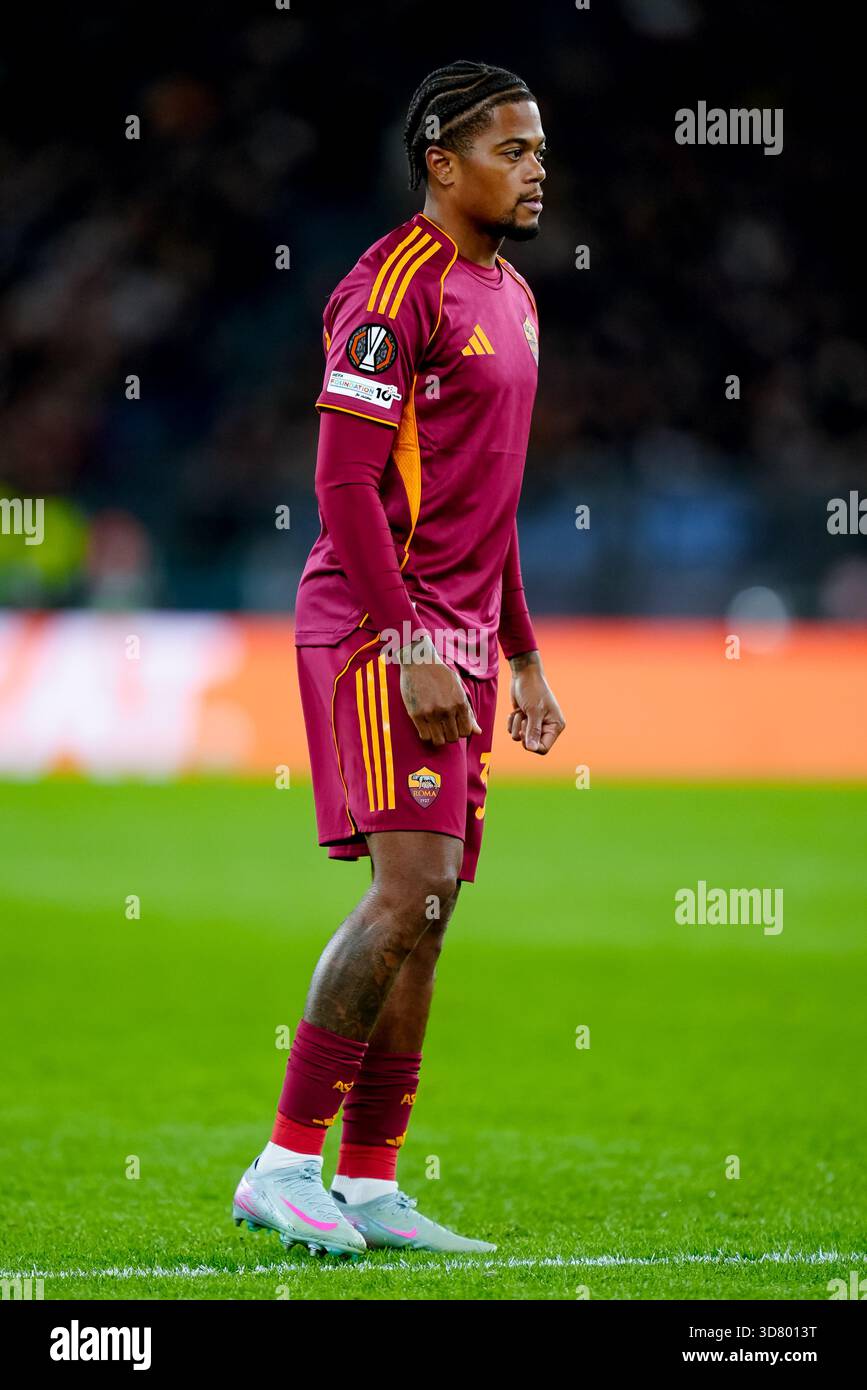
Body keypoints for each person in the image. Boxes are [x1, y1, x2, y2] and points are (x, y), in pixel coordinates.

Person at [233, 59, 565, 1258]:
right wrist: (413, 634)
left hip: (464, 636)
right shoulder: (390, 292)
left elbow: (495, 499)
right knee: (407, 887)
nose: (536, 168)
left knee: (434, 908)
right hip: (380, 626)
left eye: (538, 149)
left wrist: (520, 653)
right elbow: (342, 486)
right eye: (512, 149)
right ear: (442, 161)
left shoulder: (515, 296)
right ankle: (282, 1164)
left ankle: (369, 1182)